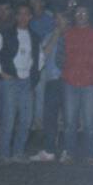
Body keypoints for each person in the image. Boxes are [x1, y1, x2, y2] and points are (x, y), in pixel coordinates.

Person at [0, 3, 43, 164]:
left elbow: (40, 58)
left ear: (30, 17)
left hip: (26, 82)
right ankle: (4, 153)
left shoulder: (34, 37)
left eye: (26, 14)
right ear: (16, 16)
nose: (23, 17)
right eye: (20, 14)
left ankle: (18, 152)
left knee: (26, 118)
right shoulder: (5, 34)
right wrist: (1, 72)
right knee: (8, 118)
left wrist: (33, 73)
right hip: (10, 81)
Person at [56, 4, 93, 166]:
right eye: (78, 12)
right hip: (70, 83)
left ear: (89, 15)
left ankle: (90, 155)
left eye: (84, 12)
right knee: (70, 122)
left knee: (89, 122)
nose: (80, 15)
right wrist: (67, 69)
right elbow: (59, 57)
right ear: (74, 16)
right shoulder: (66, 35)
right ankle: (69, 153)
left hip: (90, 84)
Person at [29, 8, 68, 162]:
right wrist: (56, 35)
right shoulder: (49, 36)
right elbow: (43, 55)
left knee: (68, 118)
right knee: (49, 117)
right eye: (56, 19)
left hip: (69, 81)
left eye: (61, 18)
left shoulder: (73, 35)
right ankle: (49, 150)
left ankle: (66, 150)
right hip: (52, 80)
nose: (57, 22)